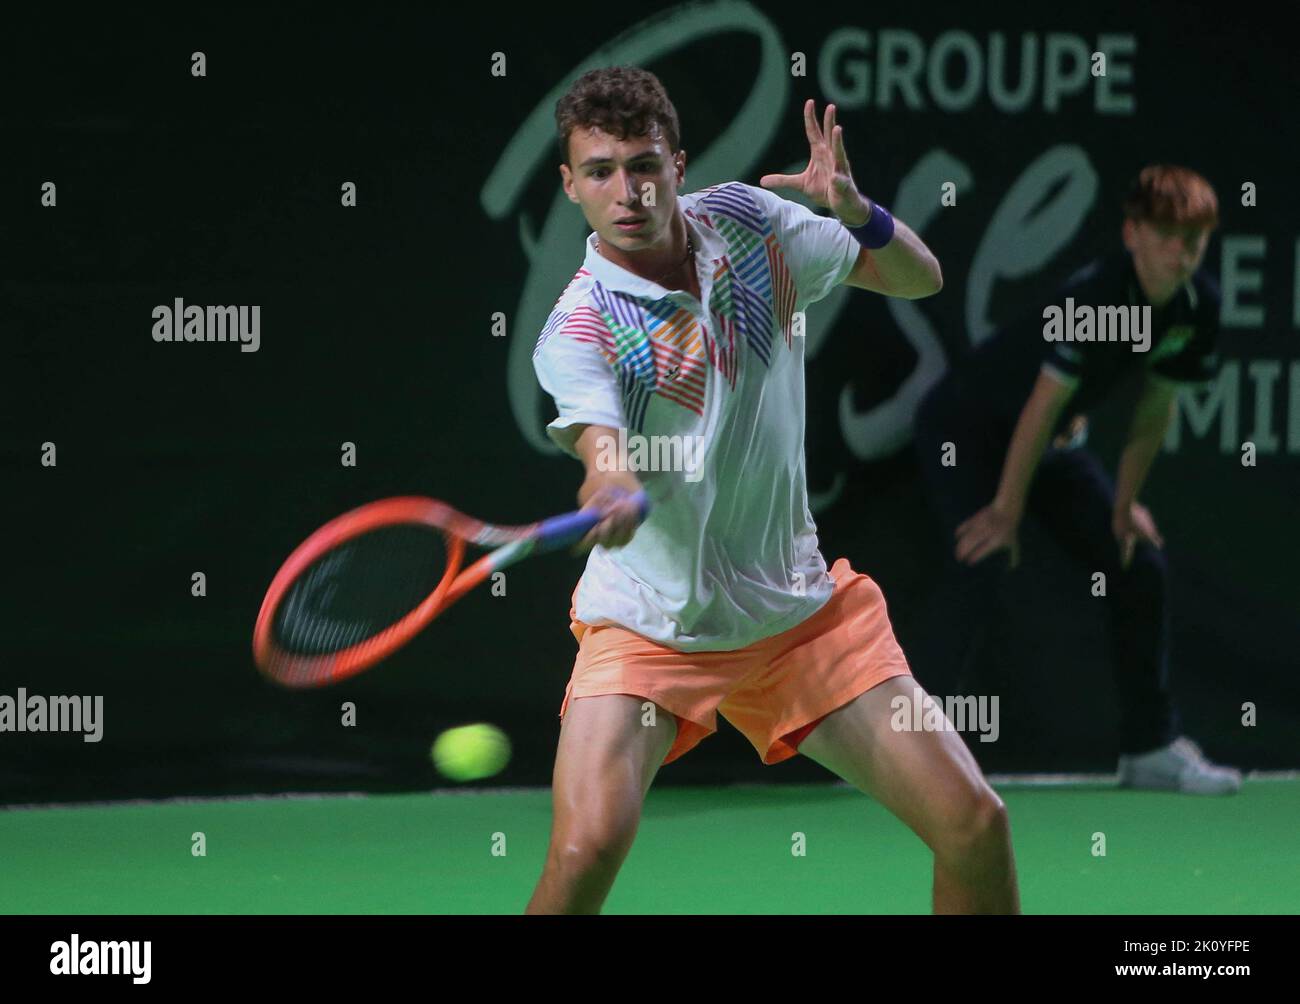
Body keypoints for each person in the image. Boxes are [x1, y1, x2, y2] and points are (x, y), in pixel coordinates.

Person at [527, 65, 1019, 915]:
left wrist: (858, 214)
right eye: (600, 170)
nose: (628, 190)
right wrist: (608, 481)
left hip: (797, 616)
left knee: (975, 824)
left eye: (644, 164)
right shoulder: (578, 325)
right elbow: (599, 442)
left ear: (679, 163)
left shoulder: (750, 225)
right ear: (570, 185)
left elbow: (919, 278)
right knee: (584, 849)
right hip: (650, 626)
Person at [910, 164, 1241, 795]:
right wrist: (1006, 510)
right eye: (1167, 235)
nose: (1181, 252)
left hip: (1050, 441)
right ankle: (914, 755)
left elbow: (1155, 408)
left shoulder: (1199, 308)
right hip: (966, 430)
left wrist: (1124, 504)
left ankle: (1150, 747)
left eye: (1194, 240)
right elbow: (1041, 405)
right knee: (979, 561)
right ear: (1132, 233)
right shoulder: (1094, 298)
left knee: (1138, 563)